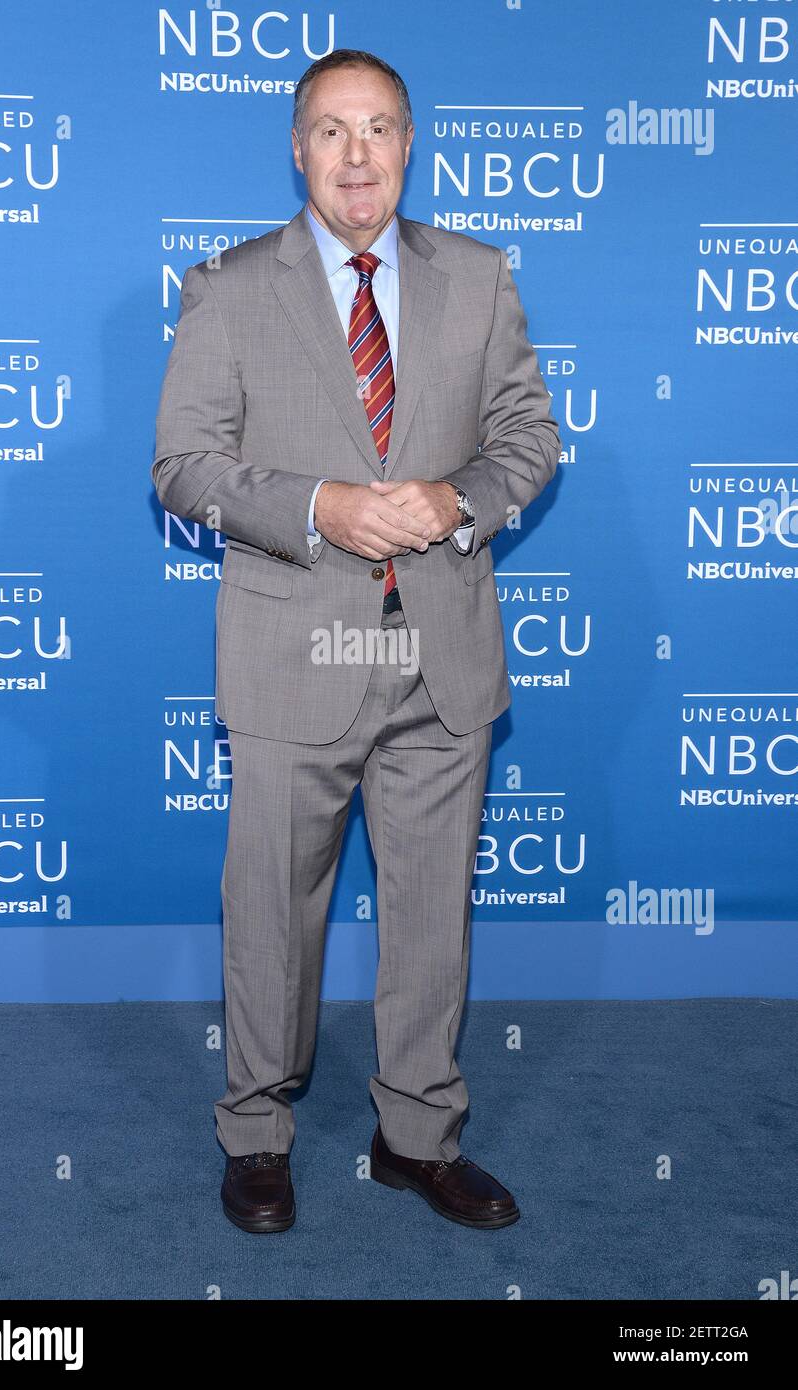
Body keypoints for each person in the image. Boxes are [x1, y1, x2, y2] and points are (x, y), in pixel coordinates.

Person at [152, 48, 561, 1234]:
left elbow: (527, 437)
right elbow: (182, 467)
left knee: (431, 914)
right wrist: (321, 506)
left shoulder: (478, 278)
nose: (357, 154)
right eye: (332, 130)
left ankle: (416, 1137)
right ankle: (257, 1134)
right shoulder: (227, 288)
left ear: (409, 142)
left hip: (441, 657)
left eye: (379, 127)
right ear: (296, 147)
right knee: (272, 910)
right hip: (292, 657)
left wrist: (457, 499)